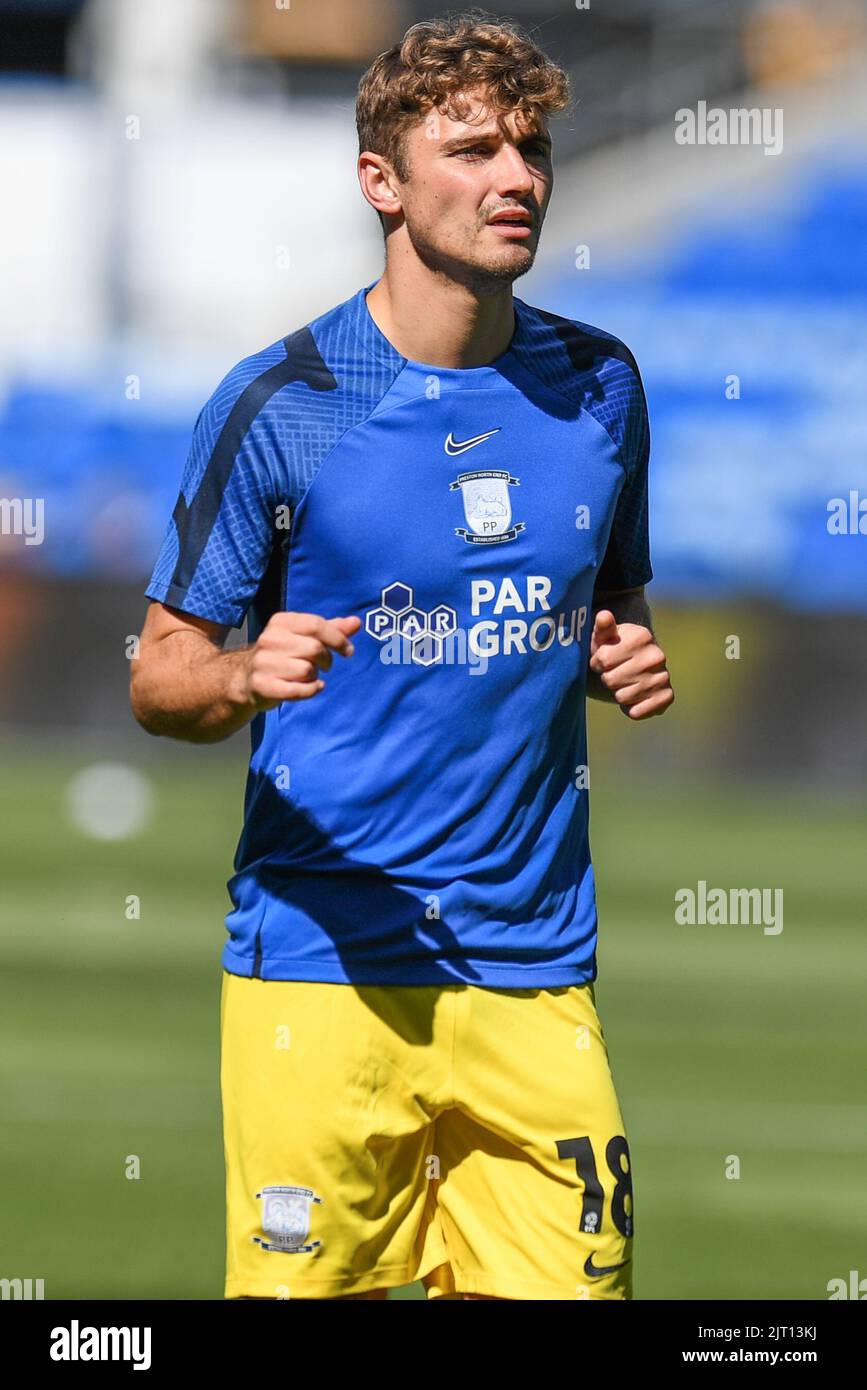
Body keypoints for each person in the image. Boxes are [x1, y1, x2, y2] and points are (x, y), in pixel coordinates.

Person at [130, 10, 674, 1302]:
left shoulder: (602, 385)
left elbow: (607, 606)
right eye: (474, 148)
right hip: (324, 972)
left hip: (534, 968)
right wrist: (238, 674)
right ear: (383, 180)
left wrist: (620, 656)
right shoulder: (284, 404)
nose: (518, 179)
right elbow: (161, 676)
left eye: (531, 148)